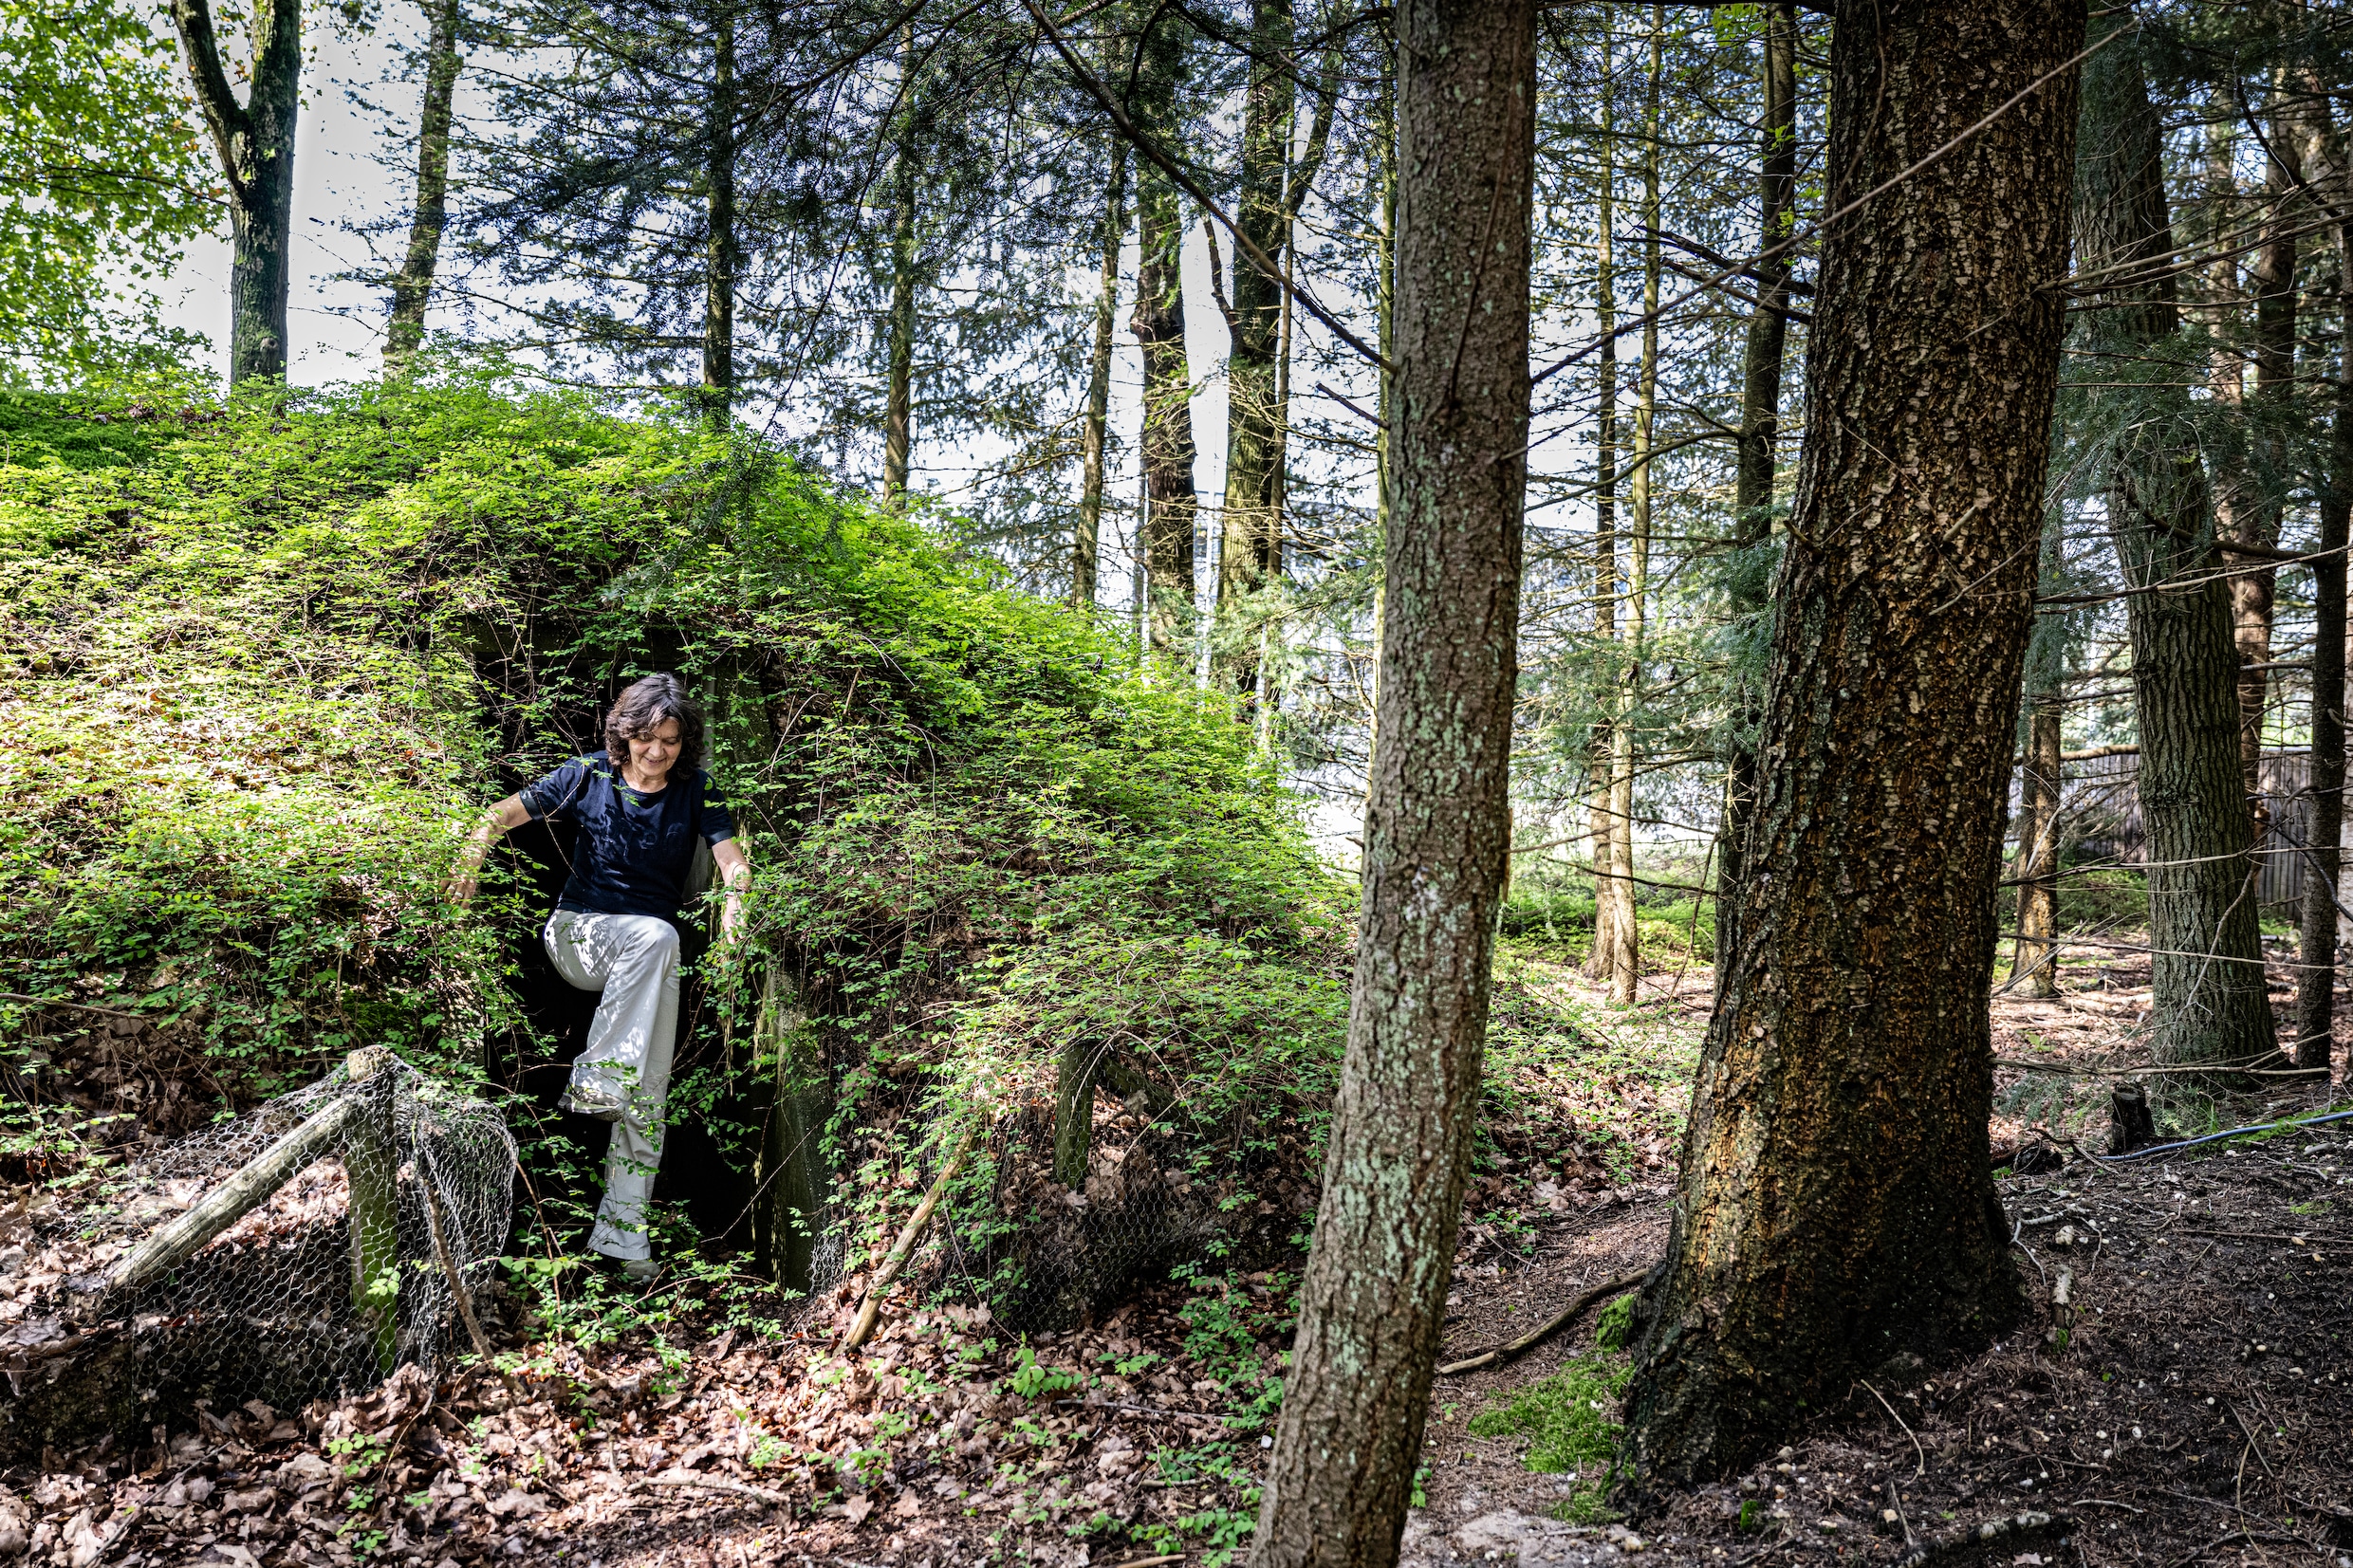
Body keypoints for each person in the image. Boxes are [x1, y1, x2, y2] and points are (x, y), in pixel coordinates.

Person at [450, 673, 750, 1280]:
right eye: (645, 738)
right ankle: (601, 1077)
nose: (656, 751)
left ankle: (623, 1238)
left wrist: (736, 919)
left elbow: (732, 864)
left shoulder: (696, 791)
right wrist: (465, 873)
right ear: (625, 734)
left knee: (649, 1090)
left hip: (648, 961)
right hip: (579, 938)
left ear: (683, 742)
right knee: (658, 936)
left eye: (669, 740)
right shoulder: (588, 775)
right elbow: (495, 818)